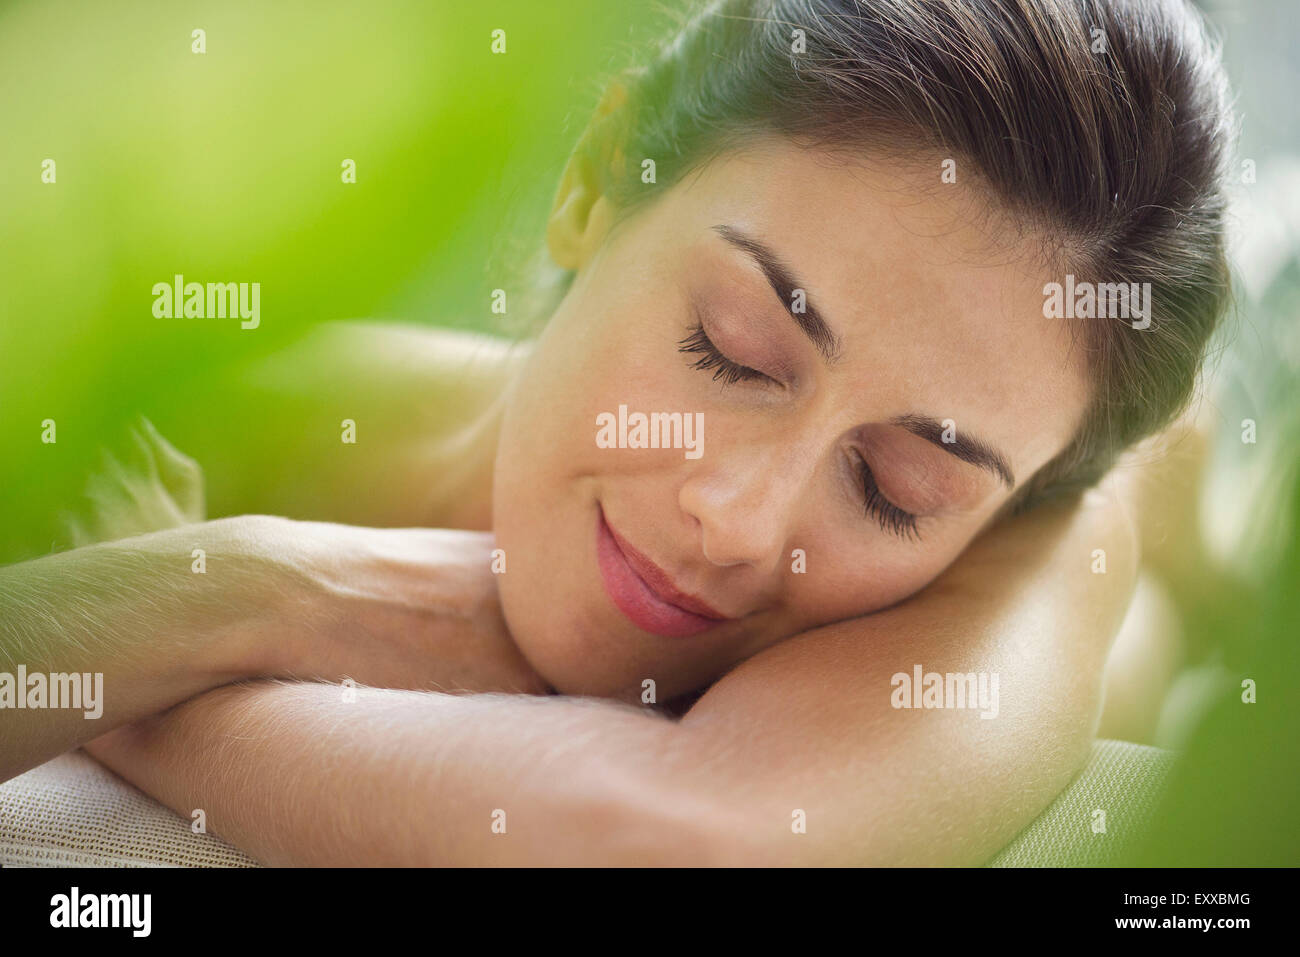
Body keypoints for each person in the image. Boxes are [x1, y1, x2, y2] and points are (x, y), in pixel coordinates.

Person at [0, 0, 1233, 865]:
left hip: (1137, 601)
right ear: (594, 180)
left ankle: (1201, 527)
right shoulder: (254, 416)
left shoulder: (1055, 529)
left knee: (1171, 599)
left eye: (897, 489)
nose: (737, 523)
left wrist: (259, 609)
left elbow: (682, 846)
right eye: (733, 351)